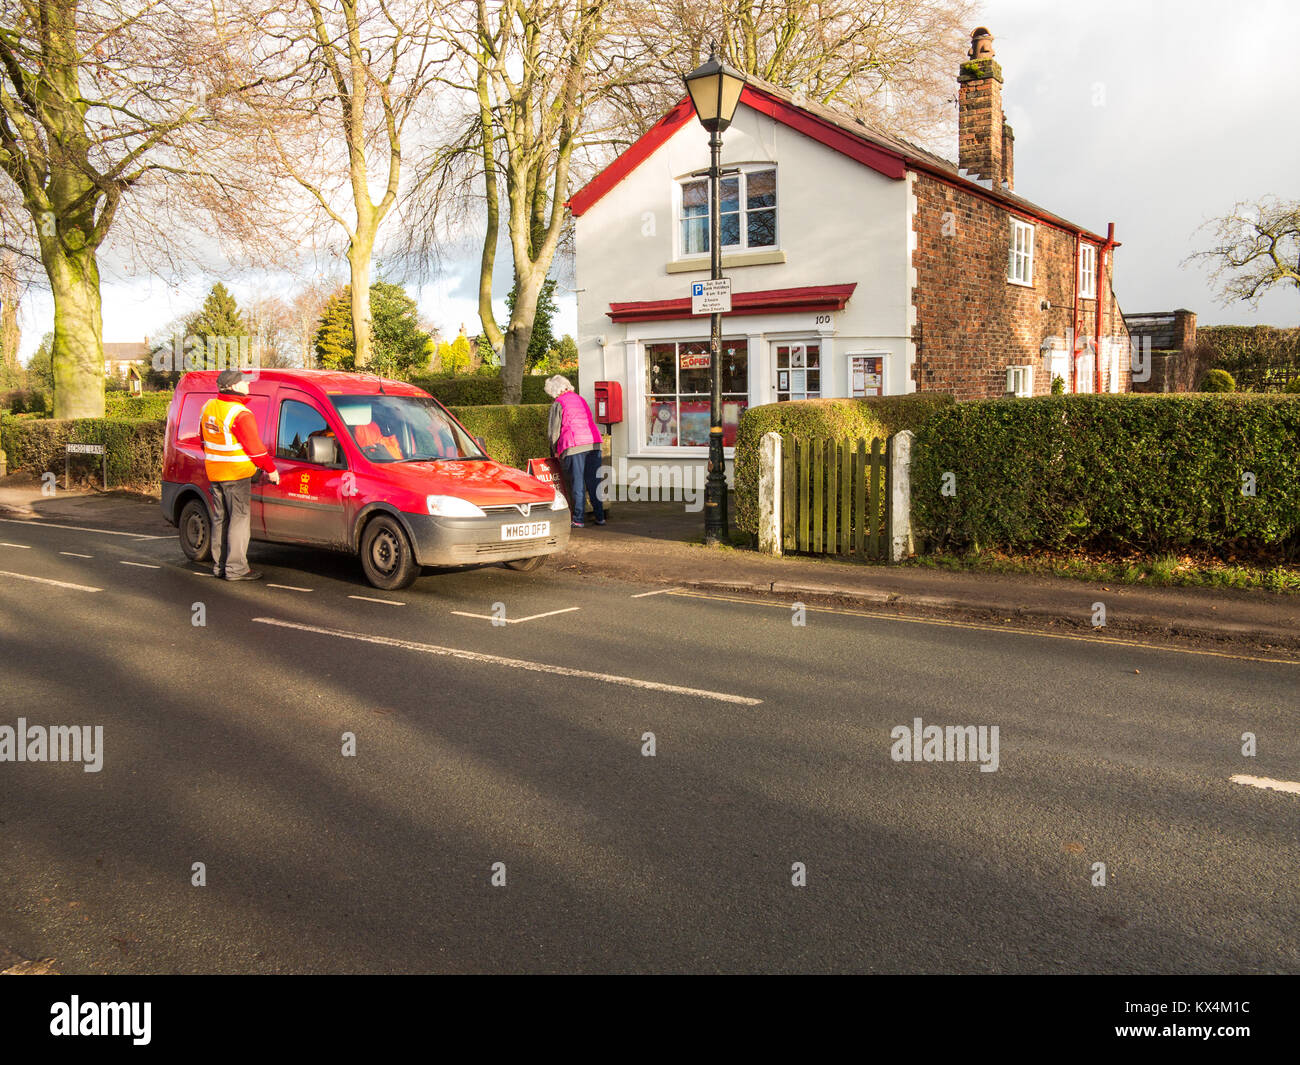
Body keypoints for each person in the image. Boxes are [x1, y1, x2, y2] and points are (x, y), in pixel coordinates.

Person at [200, 370, 280, 580]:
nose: (248, 385)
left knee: (220, 519)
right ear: (234, 387)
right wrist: (271, 470)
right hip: (236, 475)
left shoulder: (208, 407)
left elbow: (203, 441)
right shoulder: (240, 413)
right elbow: (256, 449)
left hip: (215, 473)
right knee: (239, 521)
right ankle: (236, 569)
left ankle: (220, 567)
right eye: (244, 382)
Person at [545, 375, 605, 527]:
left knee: (577, 482)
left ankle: (578, 519)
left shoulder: (558, 403)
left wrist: (555, 450)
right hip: (594, 442)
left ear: (554, 390)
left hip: (574, 444)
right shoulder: (580, 399)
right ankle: (600, 516)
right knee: (594, 481)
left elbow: (553, 431)